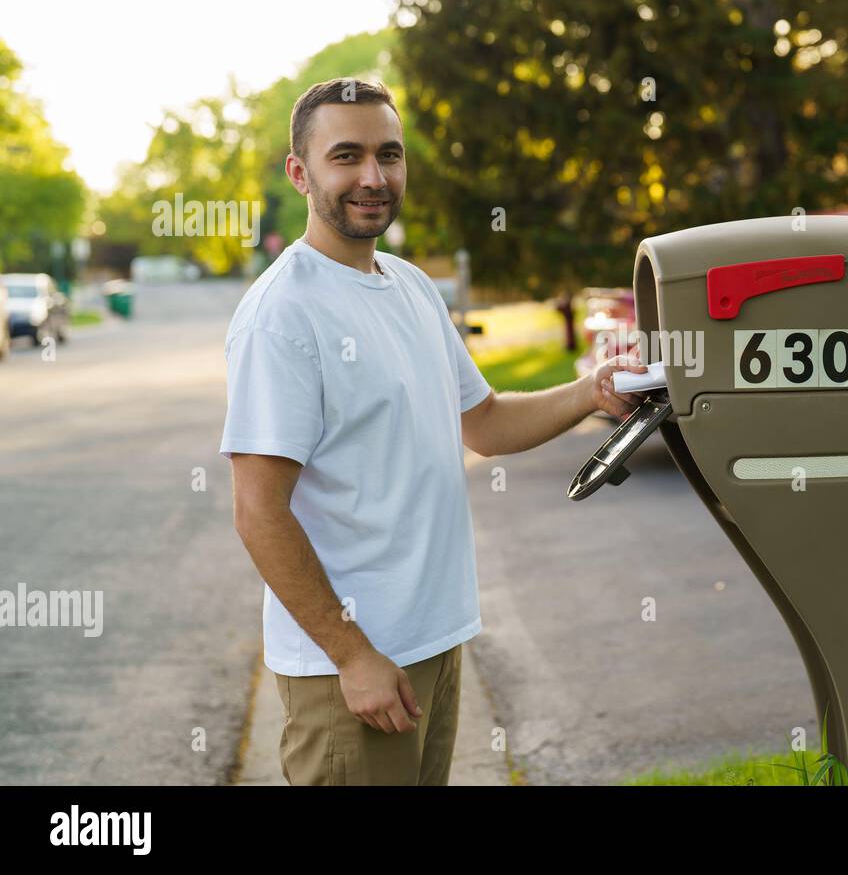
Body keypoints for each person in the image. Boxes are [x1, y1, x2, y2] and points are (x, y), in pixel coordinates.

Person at [219, 77, 645, 785]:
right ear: (300, 173)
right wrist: (354, 656)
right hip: (351, 668)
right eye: (346, 156)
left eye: (389, 154)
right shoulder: (282, 315)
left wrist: (589, 391)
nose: (373, 177)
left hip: (432, 646)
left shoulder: (411, 287)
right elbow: (258, 510)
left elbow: (484, 422)